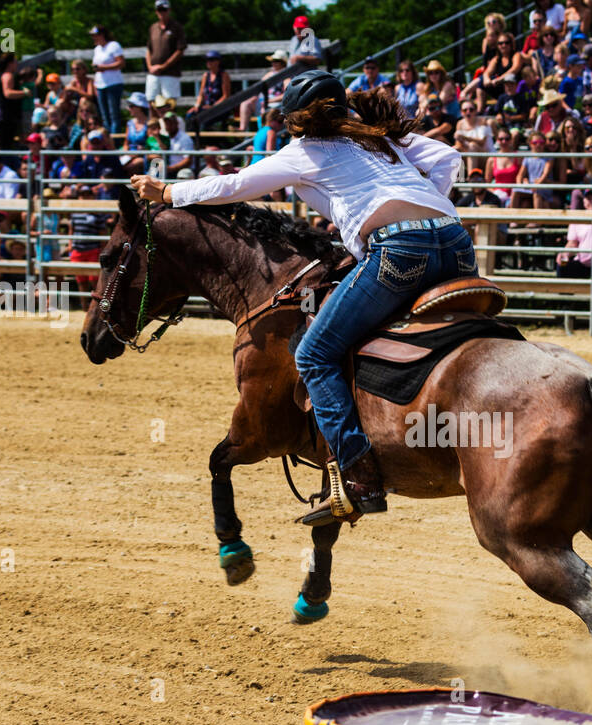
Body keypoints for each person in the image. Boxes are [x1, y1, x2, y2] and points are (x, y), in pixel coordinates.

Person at [130, 76, 470, 525]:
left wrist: (169, 192)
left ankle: (359, 471)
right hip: (457, 243)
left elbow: (235, 185)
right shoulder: (375, 136)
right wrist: (424, 204)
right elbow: (449, 157)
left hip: (400, 253)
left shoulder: (306, 151)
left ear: (296, 121)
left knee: (313, 354)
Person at [146, 0, 187, 102]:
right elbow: (148, 50)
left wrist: (164, 66)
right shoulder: (153, 28)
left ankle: (169, 119)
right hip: (153, 73)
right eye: (160, 10)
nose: (162, 12)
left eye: (164, 10)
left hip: (170, 73)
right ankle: (154, 119)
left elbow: (180, 50)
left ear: (169, 10)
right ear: (156, 11)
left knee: (169, 103)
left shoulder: (176, 27)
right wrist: (150, 67)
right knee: (151, 100)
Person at [90, 25, 127, 135]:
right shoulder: (97, 49)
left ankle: (115, 140)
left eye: (96, 35)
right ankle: (107, 140)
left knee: (114, 115)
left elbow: (121, 63)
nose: (94, 38)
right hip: (101, 85)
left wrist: (103, 67)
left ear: (102, 35)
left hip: (113, 84)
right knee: (104, 116)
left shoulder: (113, 46)